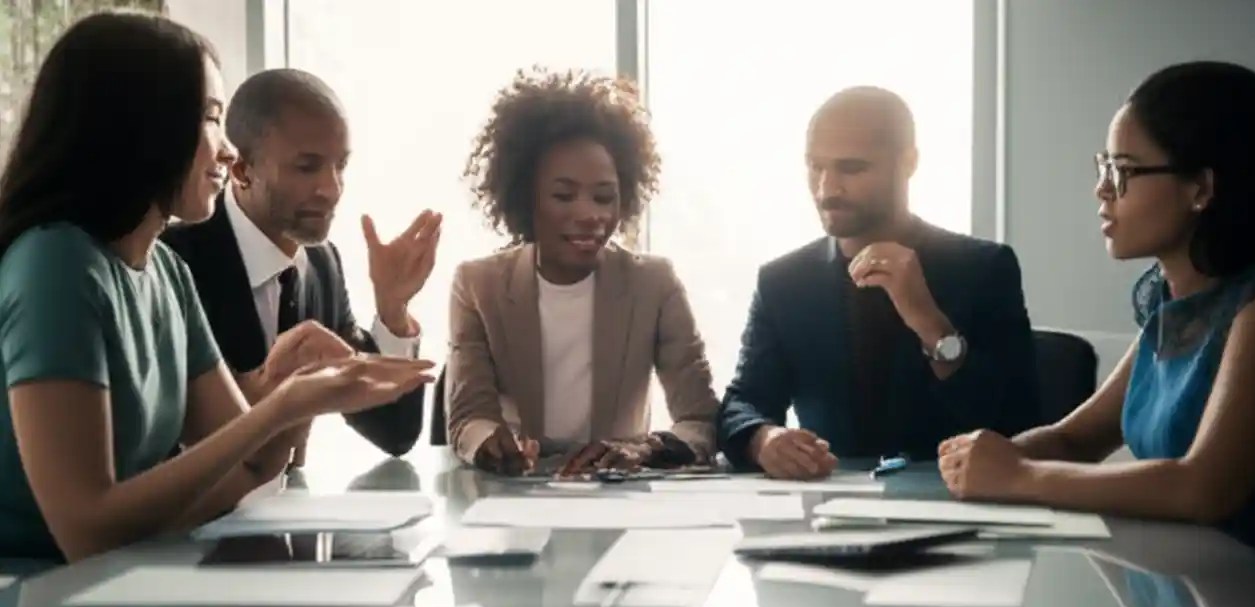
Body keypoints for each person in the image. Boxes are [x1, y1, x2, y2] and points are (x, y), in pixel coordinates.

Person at [0, 11, 432, 562]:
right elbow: (87, 530)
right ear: (140, 126)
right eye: (210, 119)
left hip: (126, 587)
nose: (229, 151)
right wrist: (281, 407)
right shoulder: (55, 263)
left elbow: (248, 471)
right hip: (34, 605)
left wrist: (295, 389)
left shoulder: (166, 273)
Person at [938, 61, 1255, 555]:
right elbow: (1074, 441)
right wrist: (981, 459)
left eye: (1123, 171)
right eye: (1104, 167)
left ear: (1201, 189)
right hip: (1190, 589)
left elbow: (1203, 489)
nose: (1102, 189)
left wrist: (1018, 476)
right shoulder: (1172, 302)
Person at [718, 86, 1039, 480]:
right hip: (829, 510)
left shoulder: (985, 268)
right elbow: (742, 402)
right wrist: (763, 439)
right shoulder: (783, 282)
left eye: (851, 169)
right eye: (815, 167)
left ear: (908, 163)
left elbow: (1020, 422)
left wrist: (931, 325)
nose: (826, 189)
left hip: (955, 505)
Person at [447, 68, 718, 476]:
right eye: (563, 195)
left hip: (617, 496)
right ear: (526, 196)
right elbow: (469, 418)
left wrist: (646, 450)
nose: (590, 215)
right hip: (515, 498)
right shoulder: (478, 285)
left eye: (604, 197)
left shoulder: (654, 284)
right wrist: (491, 443)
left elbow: (701, 420)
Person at [161, 68, 439, 461]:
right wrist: (269, 388)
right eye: (307, 167)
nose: (332, 189)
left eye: (340, 165)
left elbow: (393, 433)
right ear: (241, 170)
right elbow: (164, 442)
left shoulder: (322, 264)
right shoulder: (172, 261)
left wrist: (393, 312)